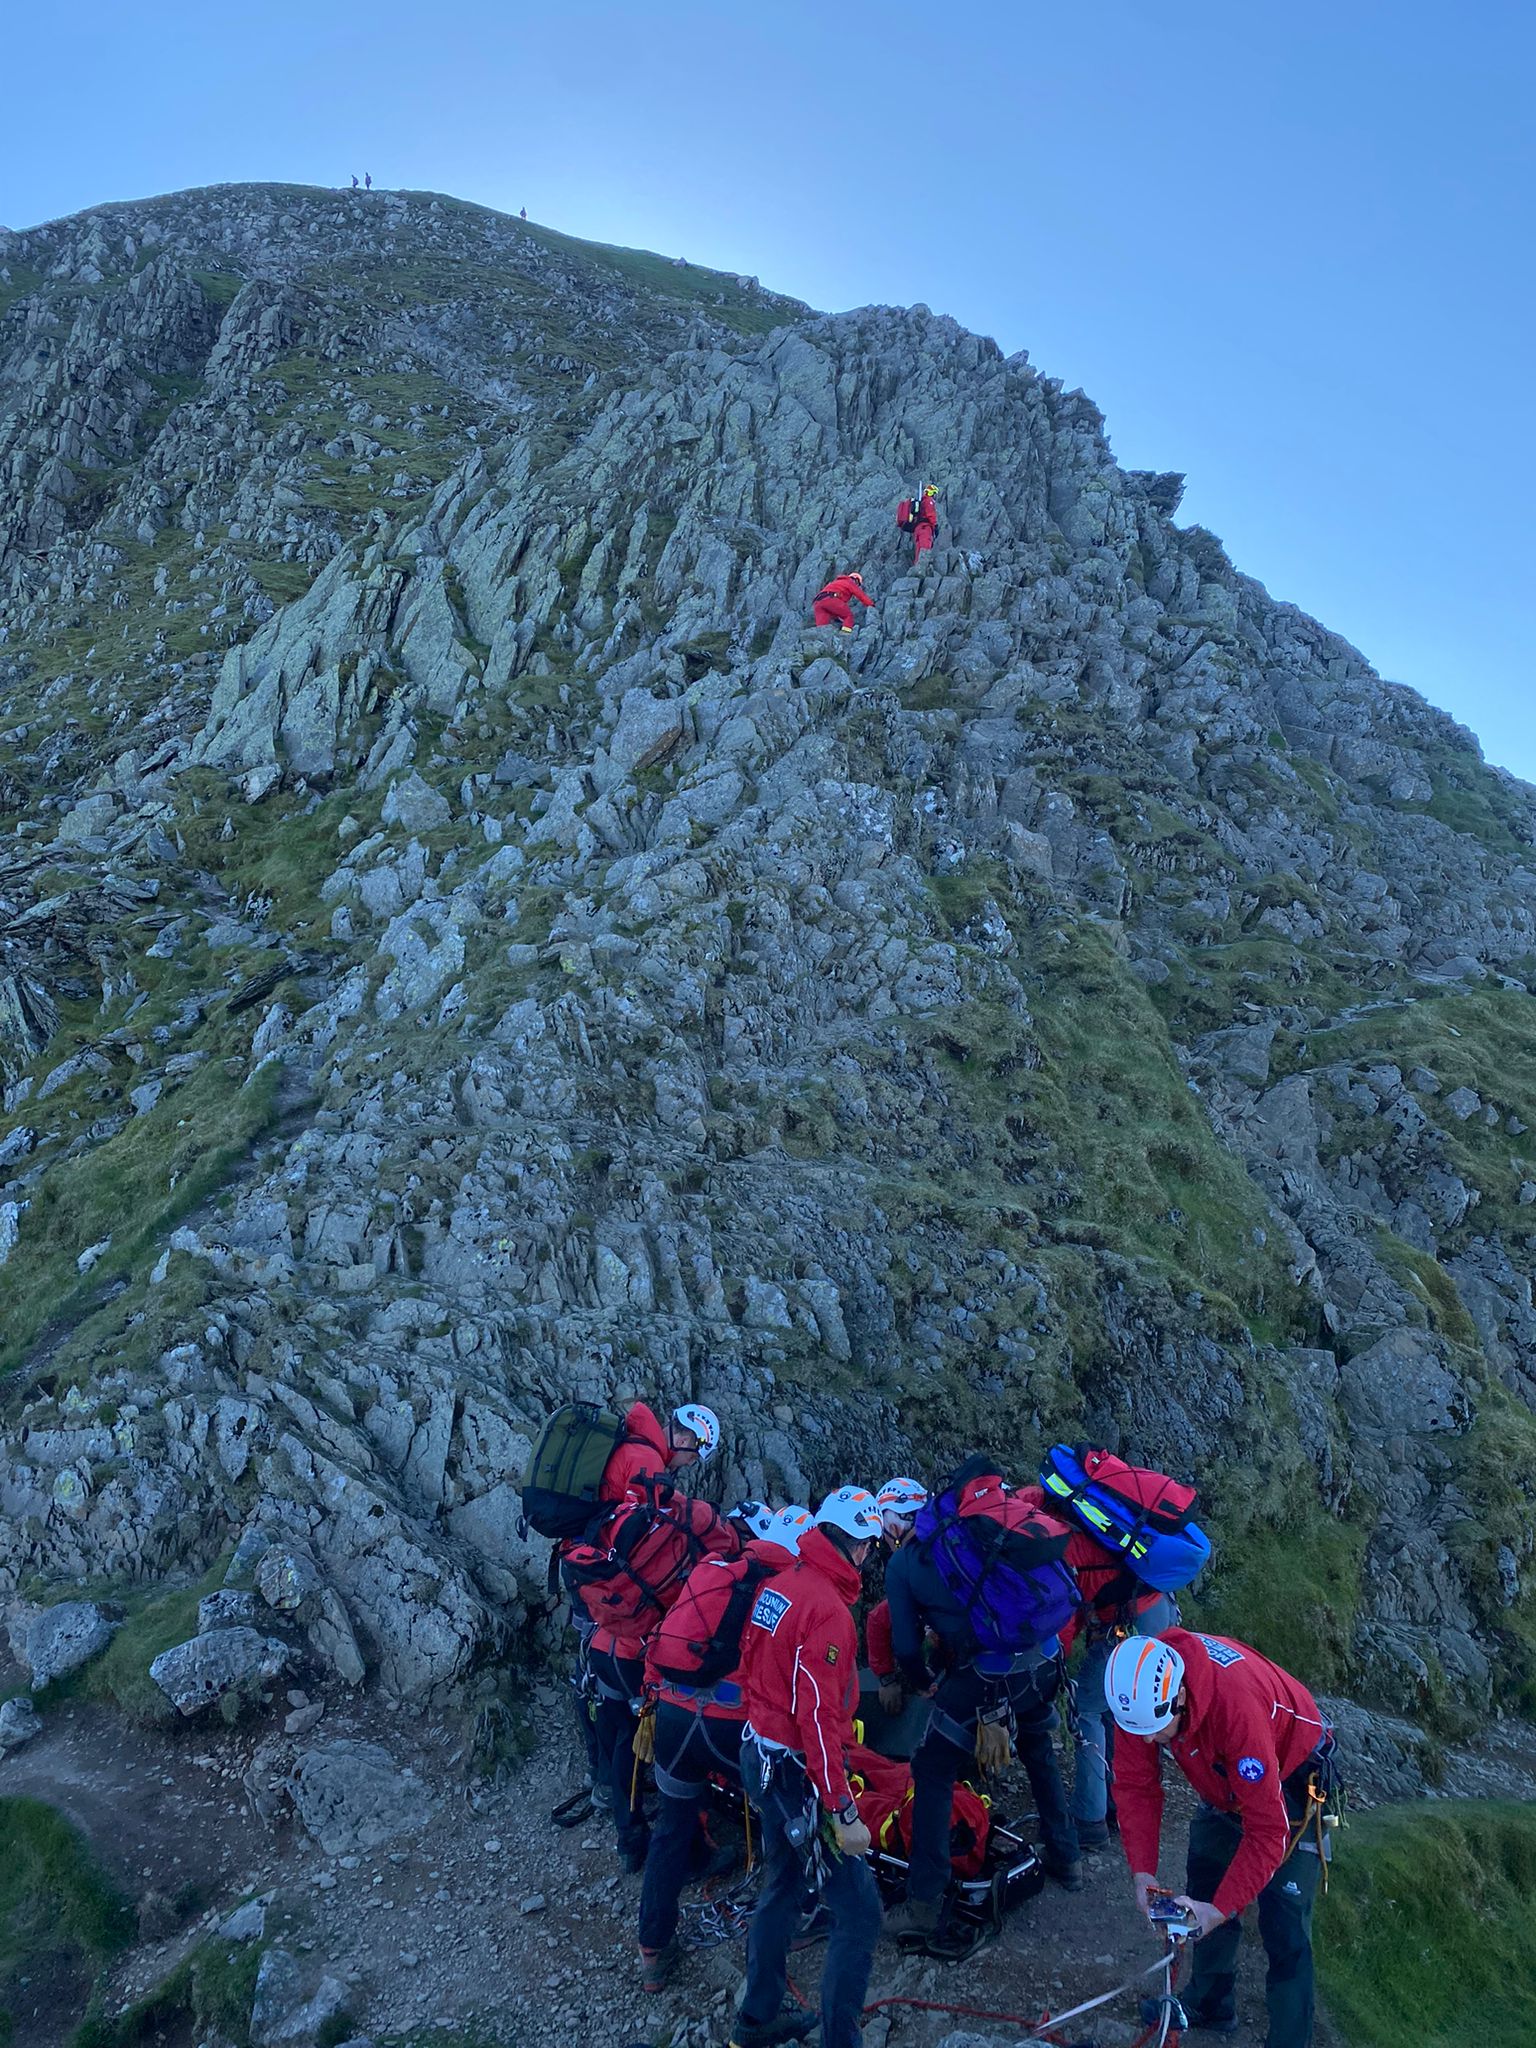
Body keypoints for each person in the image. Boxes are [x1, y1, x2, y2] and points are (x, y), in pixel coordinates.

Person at [882, 1454, 1082, 1943]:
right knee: (1037, 1747)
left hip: (986, 1677)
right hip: (1046, 1664)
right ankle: (1067, 1856)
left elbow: (906, 1646)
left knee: (931, 1768)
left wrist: (925, 1680)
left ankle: (924, 1902)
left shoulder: (909, 1561)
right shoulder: (999, 1526)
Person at [1107, 1630, 1335, 2048]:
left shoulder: (1235, 1710)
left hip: (1293, 1775)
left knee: (1283, 1923)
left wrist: (1220, 1910)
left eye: (1156, 1731)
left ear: (1179, 1698)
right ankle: (1211, 2001)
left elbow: (1268, 1831)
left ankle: (1290, 2040)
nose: (1145, 1741)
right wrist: (1142, 1871)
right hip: (1223, 1778)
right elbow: (1136, 1785)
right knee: (1206, 1878)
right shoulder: (1139, 1697)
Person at [732, 1488, 885, 2048]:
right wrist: (842, 1809)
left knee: (785, 1883)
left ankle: (756, 2018)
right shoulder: (829, 1612)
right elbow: (817, 1717)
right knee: (858, 1911)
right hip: (796, 1775)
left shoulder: (781, 1585)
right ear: (862, 1547)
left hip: (762, 1756)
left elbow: (753, 1666)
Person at [635, 1503, 803, 1992]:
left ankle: (651, 1952)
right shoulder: (786, 1592)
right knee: (784, 1810)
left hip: (673, 1716)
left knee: (671, 1828)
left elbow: (667, 1638)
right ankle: (787, 1920)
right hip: (732, 1726)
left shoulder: (713, 1570)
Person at [580, 1477, 738, 1872]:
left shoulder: (646, 1525)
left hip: (604, 1648)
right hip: (639, 1655)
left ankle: (630, 1841)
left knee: (623, 1744)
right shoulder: (701, 1540)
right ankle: (694, 1853)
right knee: (674, 1755)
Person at [1016, 1467, 1179, 1850]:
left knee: (1089, 1709)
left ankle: (1090, 1819)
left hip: (1125, 1623)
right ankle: (1119, 1807)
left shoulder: (1059, 1545)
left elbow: (1065, 1617)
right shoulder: (1091, 1509)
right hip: (1157, 1607)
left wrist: (1053, 1672)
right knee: (1121, 1711)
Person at [569, 1400, 722, 1807]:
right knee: (610, 1705)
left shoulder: (639, 1449)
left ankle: (605, 1780)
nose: (689, 1464)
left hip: (584, 1570)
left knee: (593, 1685)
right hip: (596, 1581)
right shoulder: (645, 1460)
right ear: (685, 1438)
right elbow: (636, 1537)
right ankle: (613, 1789)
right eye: (693, 1455)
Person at [911, 485, 939, 566]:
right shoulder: (928, 501)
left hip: (918, 529)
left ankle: (917, 568)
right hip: (925, 528)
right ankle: (923, 568)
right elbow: (931, 515)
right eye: (934, 494)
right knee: (925, 548)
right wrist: (935, 526)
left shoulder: (921, 502)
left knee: (918, 550)